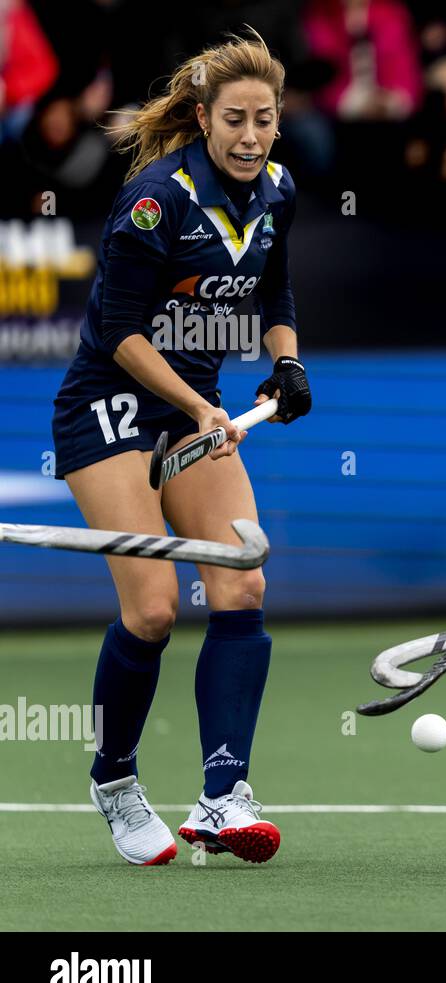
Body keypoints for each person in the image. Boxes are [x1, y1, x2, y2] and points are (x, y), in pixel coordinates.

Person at [51, 31, 311, 865]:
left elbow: (274, 288)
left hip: (194, 413)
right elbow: (120, 334)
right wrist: (202, 405)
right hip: (109, 408)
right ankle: (116, 779)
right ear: (203, 119)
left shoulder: (278, 190)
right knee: (155, 609)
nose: (249, 136)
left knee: (242, 582)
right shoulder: (155, 203)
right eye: (233, 120)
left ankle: (223, 795)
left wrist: (287, 360)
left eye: (263, 121)